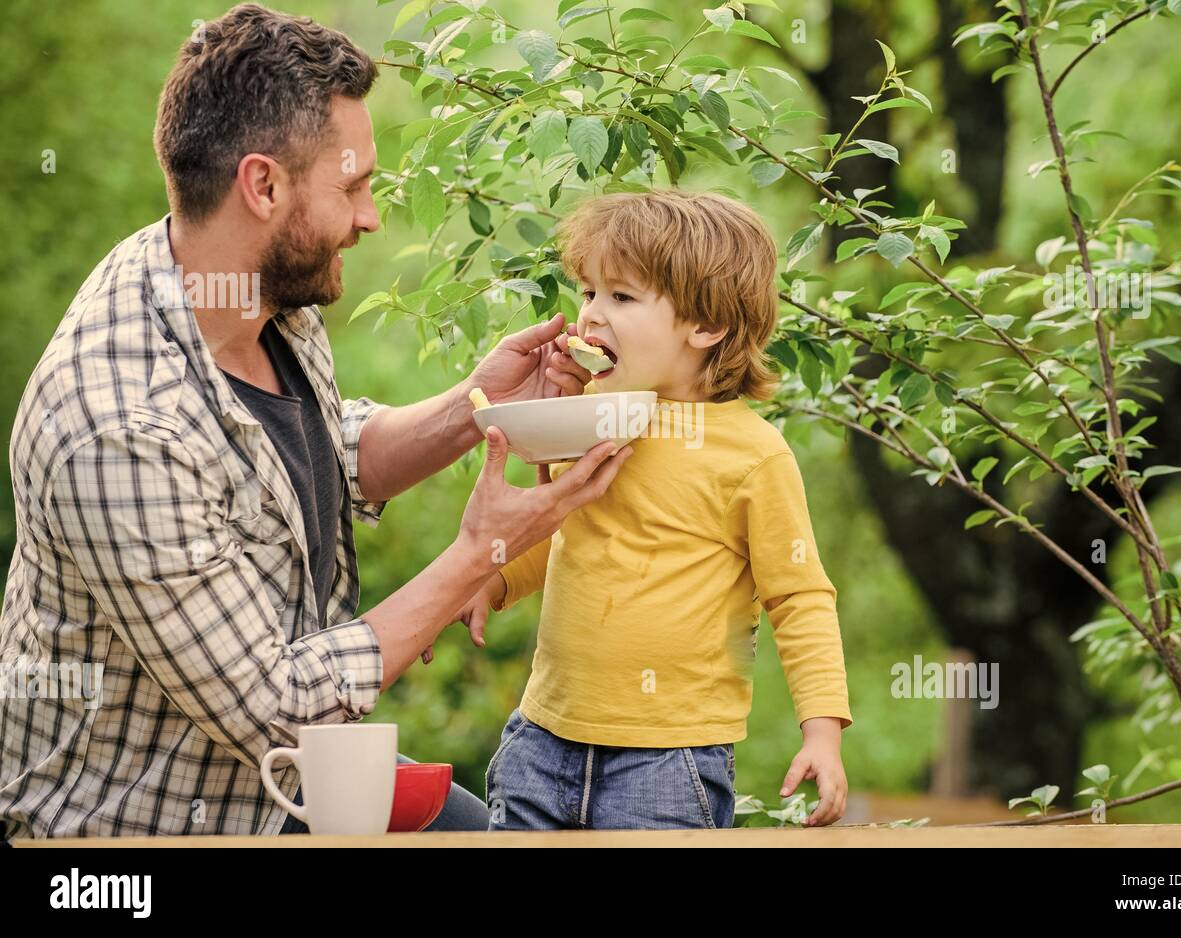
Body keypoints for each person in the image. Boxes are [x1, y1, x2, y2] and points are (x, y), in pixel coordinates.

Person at [0, 3, 630, 841]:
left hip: (286, 784)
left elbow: (319, 452)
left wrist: (479, 408)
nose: (370, 216)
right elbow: (275, 707)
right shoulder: (115, 425)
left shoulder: (249, 287)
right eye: (354, 185)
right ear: (262, 185)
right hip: (150, 831)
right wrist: (481, 551)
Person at [463, 190, 853, 830]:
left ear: (706, 324)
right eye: (588, 292)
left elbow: (800, 597)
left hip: (667, 760)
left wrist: (822, 734)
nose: (590, 314)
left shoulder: (752, 454)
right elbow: (557, 525)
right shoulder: (591, 415)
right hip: (541, 735)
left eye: (620, 297)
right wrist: (496, 578)